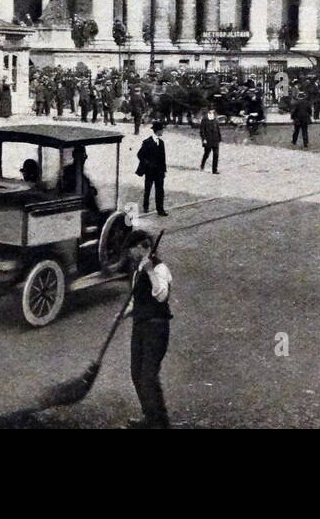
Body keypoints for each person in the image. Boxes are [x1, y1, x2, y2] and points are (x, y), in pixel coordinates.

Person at [124, 230, 172, 429]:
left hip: (157, 327)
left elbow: (162, 296)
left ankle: (160, 423)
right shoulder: (136, 270)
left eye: (132, 249)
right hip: (140, 325)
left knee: (148, 376)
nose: (129, 254)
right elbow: (136, 298)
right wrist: (125, 312)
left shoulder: (160, 269)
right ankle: (150, 417)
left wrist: (150, 271)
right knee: (136, 373)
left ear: (143, 248)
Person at [136, 121, 168, 216]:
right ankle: (146, 206)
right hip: (149, 171)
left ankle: (160, 209)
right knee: (148, 189)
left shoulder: (161, 143)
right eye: (162, 130)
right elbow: (140, 154)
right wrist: (147, 164)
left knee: (160, 190)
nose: (163, 131)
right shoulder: (147, 142)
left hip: (159, 172)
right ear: (158, 131)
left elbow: (163, 158)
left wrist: (164, 170)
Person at [199, 106, 222, 174]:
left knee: (216, 155)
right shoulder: (205, 118)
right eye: (210, 110)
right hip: (208, 139)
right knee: (206, 154)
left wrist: (219, 138)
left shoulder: (216, 118)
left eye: (213, 110)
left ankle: (214, 170)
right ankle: (202, 164)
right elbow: (202, 130)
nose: (212, 111)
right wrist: (204, 139)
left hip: (215, 139)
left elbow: (218, 128)